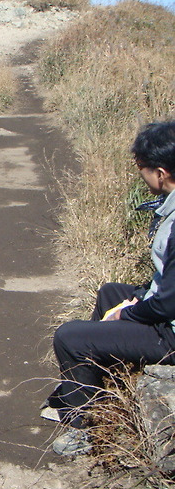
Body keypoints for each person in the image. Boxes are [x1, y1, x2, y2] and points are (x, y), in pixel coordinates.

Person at [44, 121, 175, 456]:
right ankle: (95, 387)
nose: (140, 176)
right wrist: (134, 301)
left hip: (170, 332)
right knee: (110, 293)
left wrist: (128, 314)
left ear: (161, 173)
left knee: (70, 337)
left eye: (142, 168)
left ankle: (82, 428)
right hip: (167, 310)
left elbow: (167, 305)